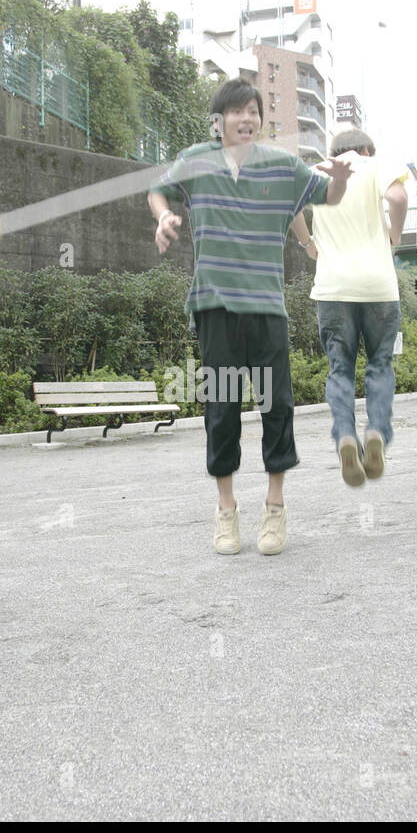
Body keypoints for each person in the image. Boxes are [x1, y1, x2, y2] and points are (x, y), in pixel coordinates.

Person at [148, 79, 352, 555]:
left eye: (253, 112)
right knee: (221, 409)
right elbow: (158, 191)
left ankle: (275, 507)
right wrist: (162, 216)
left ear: (261, 120)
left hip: (266, 309)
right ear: (217, 121)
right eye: (235, 111)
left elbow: (331, 196)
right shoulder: (196, 159)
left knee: (276, 405)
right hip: (215, 308)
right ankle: (226, 510)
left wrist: (341, 177)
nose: (246, 119)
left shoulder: (283, 167)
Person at [288, 129, 408, 487]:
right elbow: (398, 197)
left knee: (340, 369)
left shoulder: (320, 171)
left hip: (334, 288)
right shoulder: (376, 165)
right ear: (367, 149)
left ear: (332, 151)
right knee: (379, 365)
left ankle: (344, 435)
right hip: (379, 288)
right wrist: (396, 235)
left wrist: (308, 243)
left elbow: (292, 209)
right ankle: (376, 432)